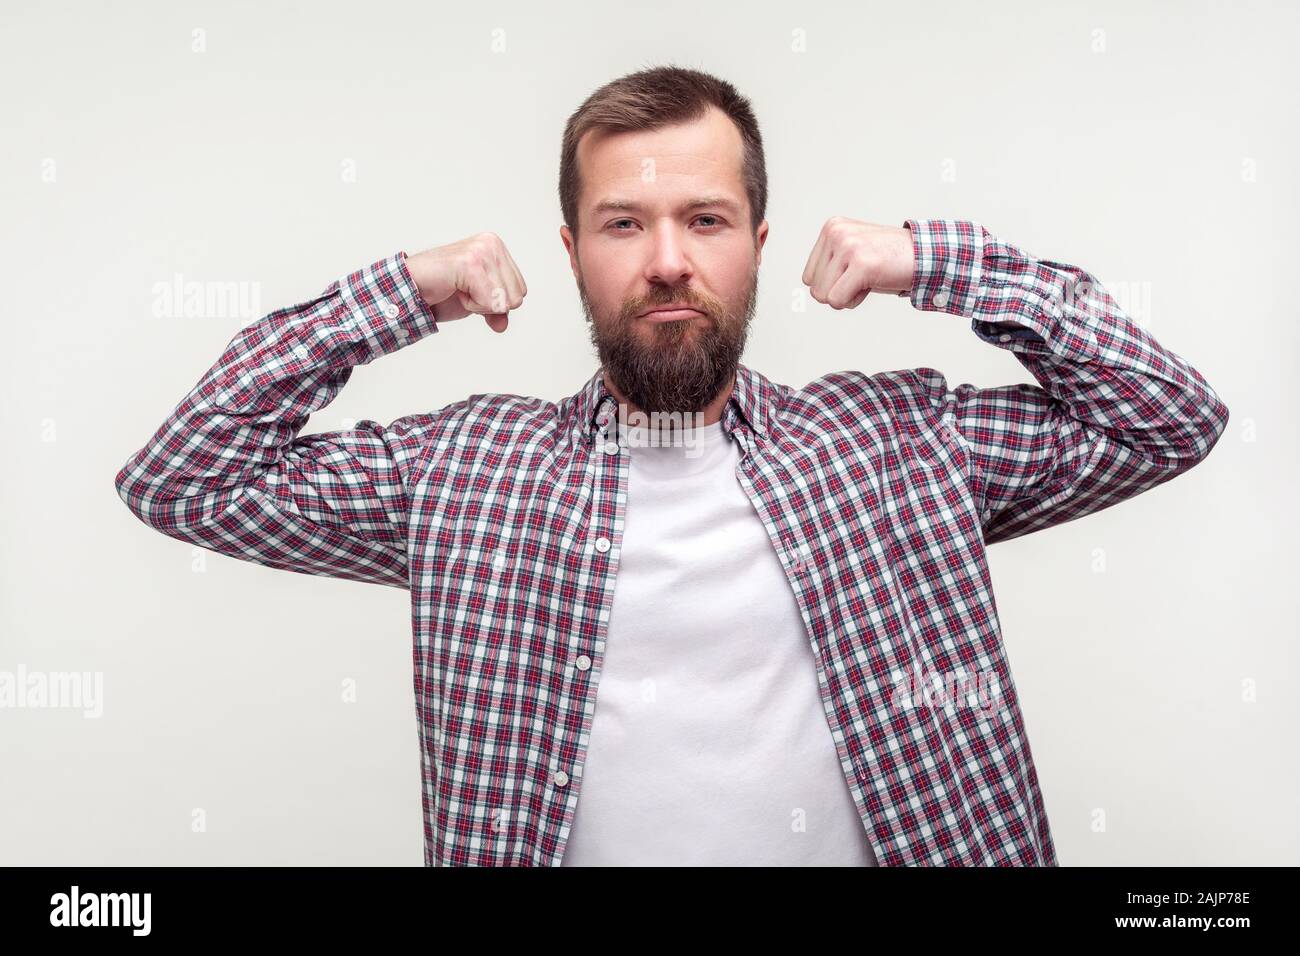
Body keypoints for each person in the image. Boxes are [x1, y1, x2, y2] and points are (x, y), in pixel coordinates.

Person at [114, 65, 1229, 866]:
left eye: (704, 218)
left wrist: (938, 262)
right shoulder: (460, 470)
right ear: (569, 252)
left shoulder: (902, 444)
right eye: (621, 225)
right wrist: (396, 294)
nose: (665, 264)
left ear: (756, 237)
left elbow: (1169, 417)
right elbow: (184, 479)